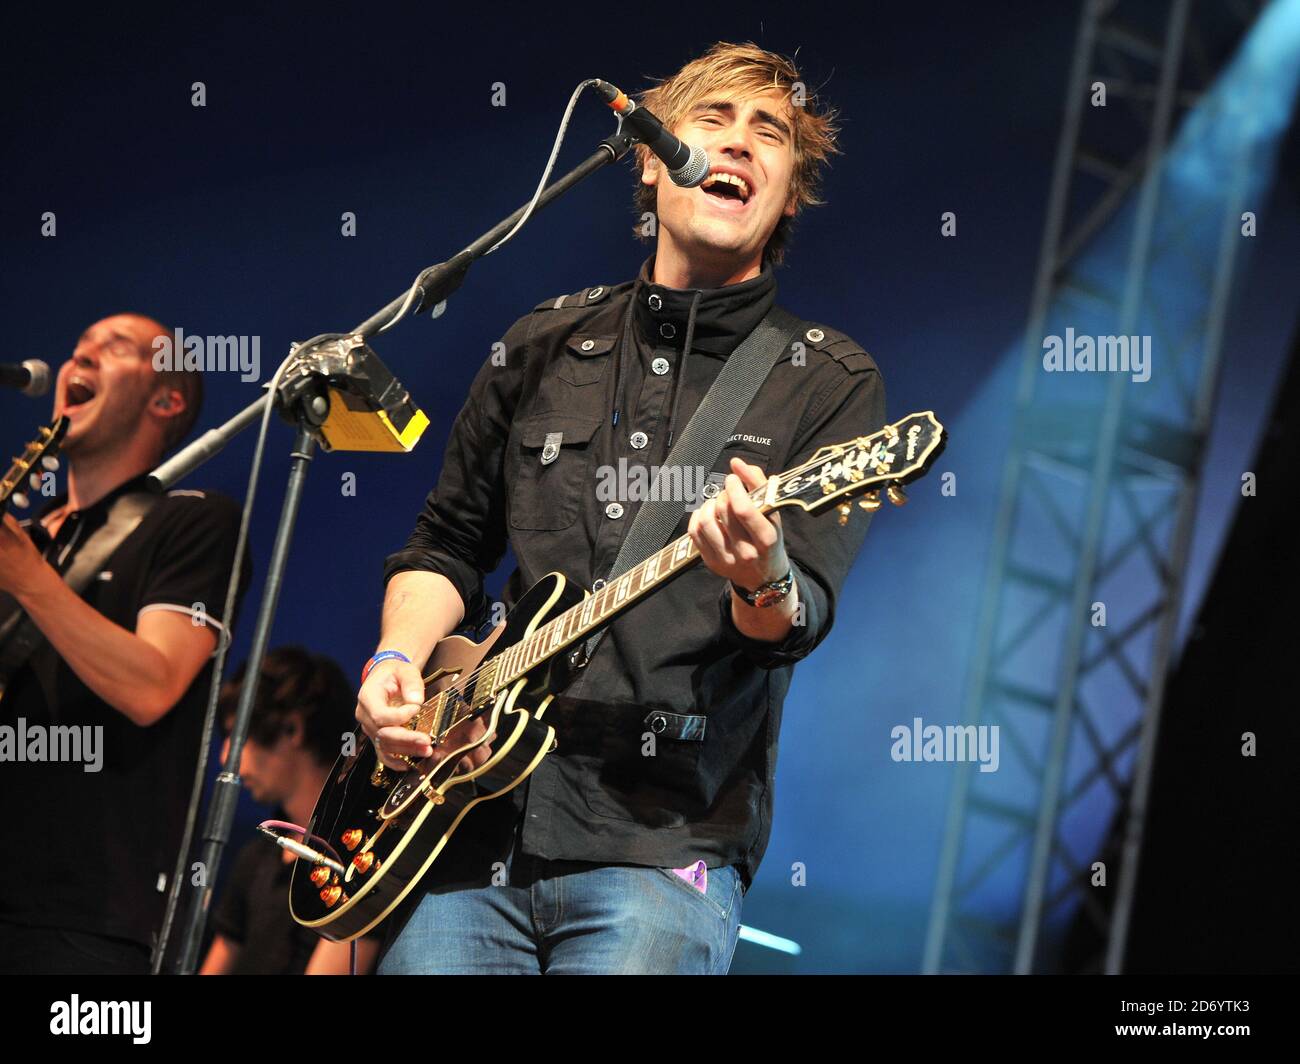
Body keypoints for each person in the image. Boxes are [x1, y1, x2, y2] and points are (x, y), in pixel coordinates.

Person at [355, 41, 886, 974]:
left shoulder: (827, 382)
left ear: (791, 192)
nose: (739, 145)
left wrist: (759, 575)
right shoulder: (542, 342)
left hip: (661, 849)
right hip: (462, 835)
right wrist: (398, 660)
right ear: (647, 156)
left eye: (770, 133)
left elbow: (795, 619)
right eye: (711, 120)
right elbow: (443, 545)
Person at [0, 313, 250, 974]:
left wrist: (28, 579)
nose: (77, 362)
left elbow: (152, 685)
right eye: (75, 349)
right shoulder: (27, 538)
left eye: (109, 350)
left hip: (87, 920)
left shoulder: (195, 520)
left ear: (165, 399)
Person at [201, 646, 381, 975]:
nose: (226, 754)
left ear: (292, 729)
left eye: (237, 734)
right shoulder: (255, 859)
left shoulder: (360, 855)